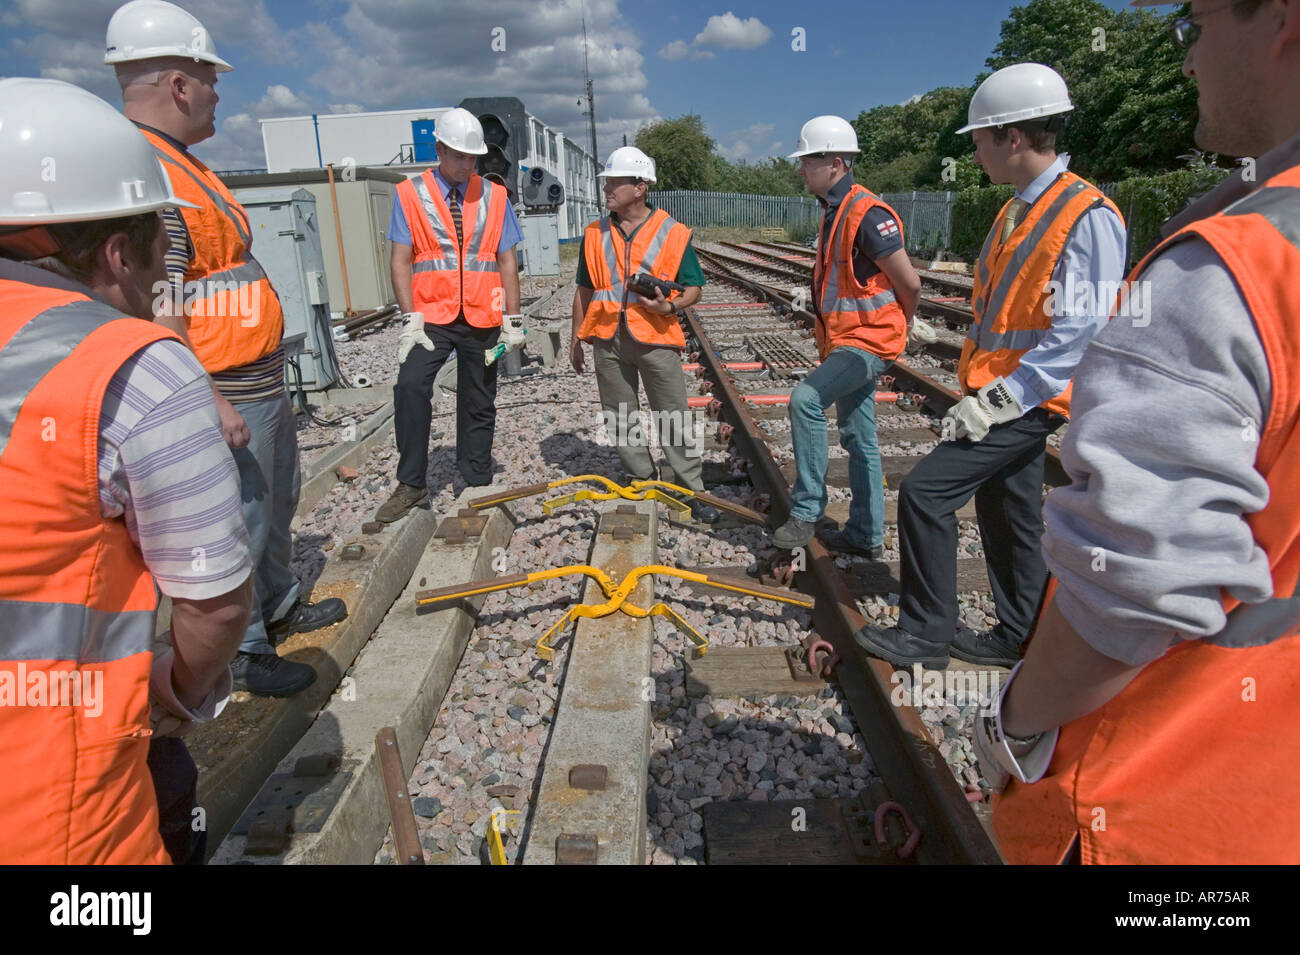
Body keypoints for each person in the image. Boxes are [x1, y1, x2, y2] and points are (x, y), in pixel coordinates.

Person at [977, 0, 1300, 864]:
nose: (1189, 61)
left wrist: (1015, 723)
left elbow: (1132, 585)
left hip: (1171, 806)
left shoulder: (1236, 264)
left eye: (1197, 25)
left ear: (1282, 20)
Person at [0, 77, 253, 864]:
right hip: (60, 820)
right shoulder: (128, 365)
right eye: (156, 255)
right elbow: (213, 605)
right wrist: (169, 688)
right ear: (116, 252)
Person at [107, 0, 344, 697]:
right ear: (181, 86)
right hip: (224, 381)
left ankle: (274, 605)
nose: (218, 92)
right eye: (211, 79)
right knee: (236, 514)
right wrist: (204, 398)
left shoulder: (183, 165)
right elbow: (160, 303)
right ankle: (240, 653)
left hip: (257, 375)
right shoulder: (153, 180)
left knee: (276, 499)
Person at [855, 65, 1127, 670]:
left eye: (979, 138)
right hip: (1002, 387)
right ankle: (1019, 635)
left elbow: (1080, 333)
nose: (973, 151)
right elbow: (1008, 312)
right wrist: (938, 337)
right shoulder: (1017, 211)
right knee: (1009, 512)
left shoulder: (1087, 214)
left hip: (1031, 397)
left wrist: (1000, 401)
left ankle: (925, 636)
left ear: (1013, 137)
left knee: (925, 495)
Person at [772, 116, 921, 556]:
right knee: (859, 437)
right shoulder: (835, 212)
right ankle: (866, 534)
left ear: (835, 163)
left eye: (808, 161)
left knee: (806, 399)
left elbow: (909, 284)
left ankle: (807, 509)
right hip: (847, 341)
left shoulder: (868, 214)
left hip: (869, 343)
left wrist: (902, 326)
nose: (801, 169)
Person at [376, 107, 524, 521]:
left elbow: (506, 261)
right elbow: (400, 260)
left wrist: (513, 320)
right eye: (459, 155)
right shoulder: (410, 194)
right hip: (431, 316)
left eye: (473, 157)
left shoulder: (496, 196)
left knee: (479, 397)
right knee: (410, 387)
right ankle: (411, 485)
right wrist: (409, 318)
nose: (467, 165)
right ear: (438, 149)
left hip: (482, 315)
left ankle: (475, 480)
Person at [569, 147, 719, 523]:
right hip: (606, 336)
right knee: (620, 415)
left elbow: (694, 288)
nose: (606, 188)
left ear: (639, 188)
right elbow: (585, 291)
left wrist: (668, 308)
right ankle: (640, 478)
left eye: (614, 182)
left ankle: (690, 489)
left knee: (672, 414)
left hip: (655, 337)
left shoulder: (672, 232)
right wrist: (575, 338)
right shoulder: (593, 233)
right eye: (606, 181)